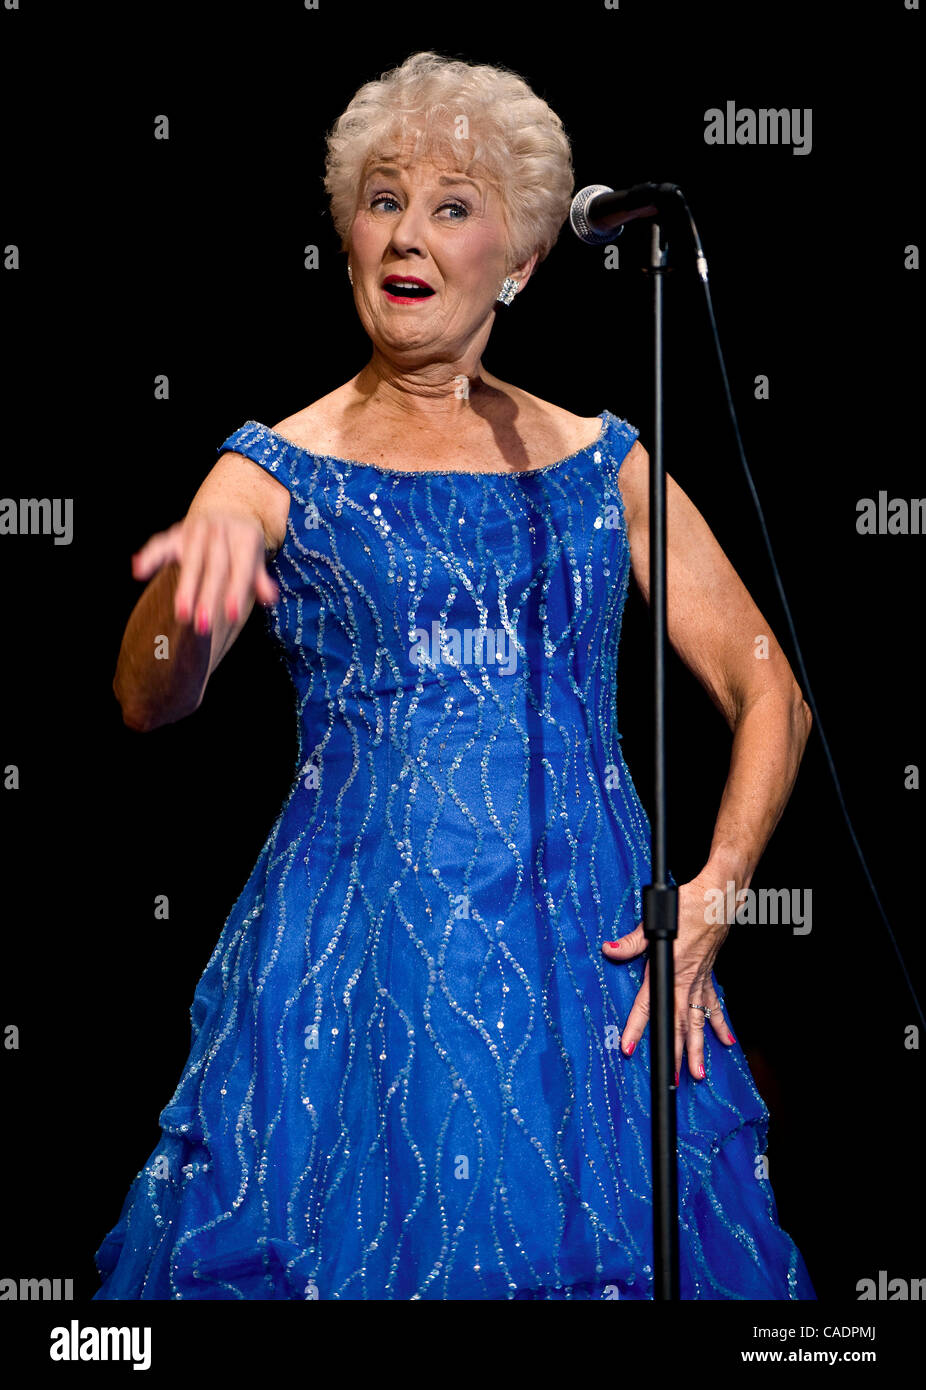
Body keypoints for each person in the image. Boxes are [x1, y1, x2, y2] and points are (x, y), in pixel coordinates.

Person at [94, 51, 816, 1301]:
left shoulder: (606, 464)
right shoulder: (271, 467)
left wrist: (714, 893)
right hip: (354, 971)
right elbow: (148, 700)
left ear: (523, 261)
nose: (406, 232)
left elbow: (773, 692)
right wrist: (181, 599)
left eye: (451, 203)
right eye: (382, 199)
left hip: (581, 959)